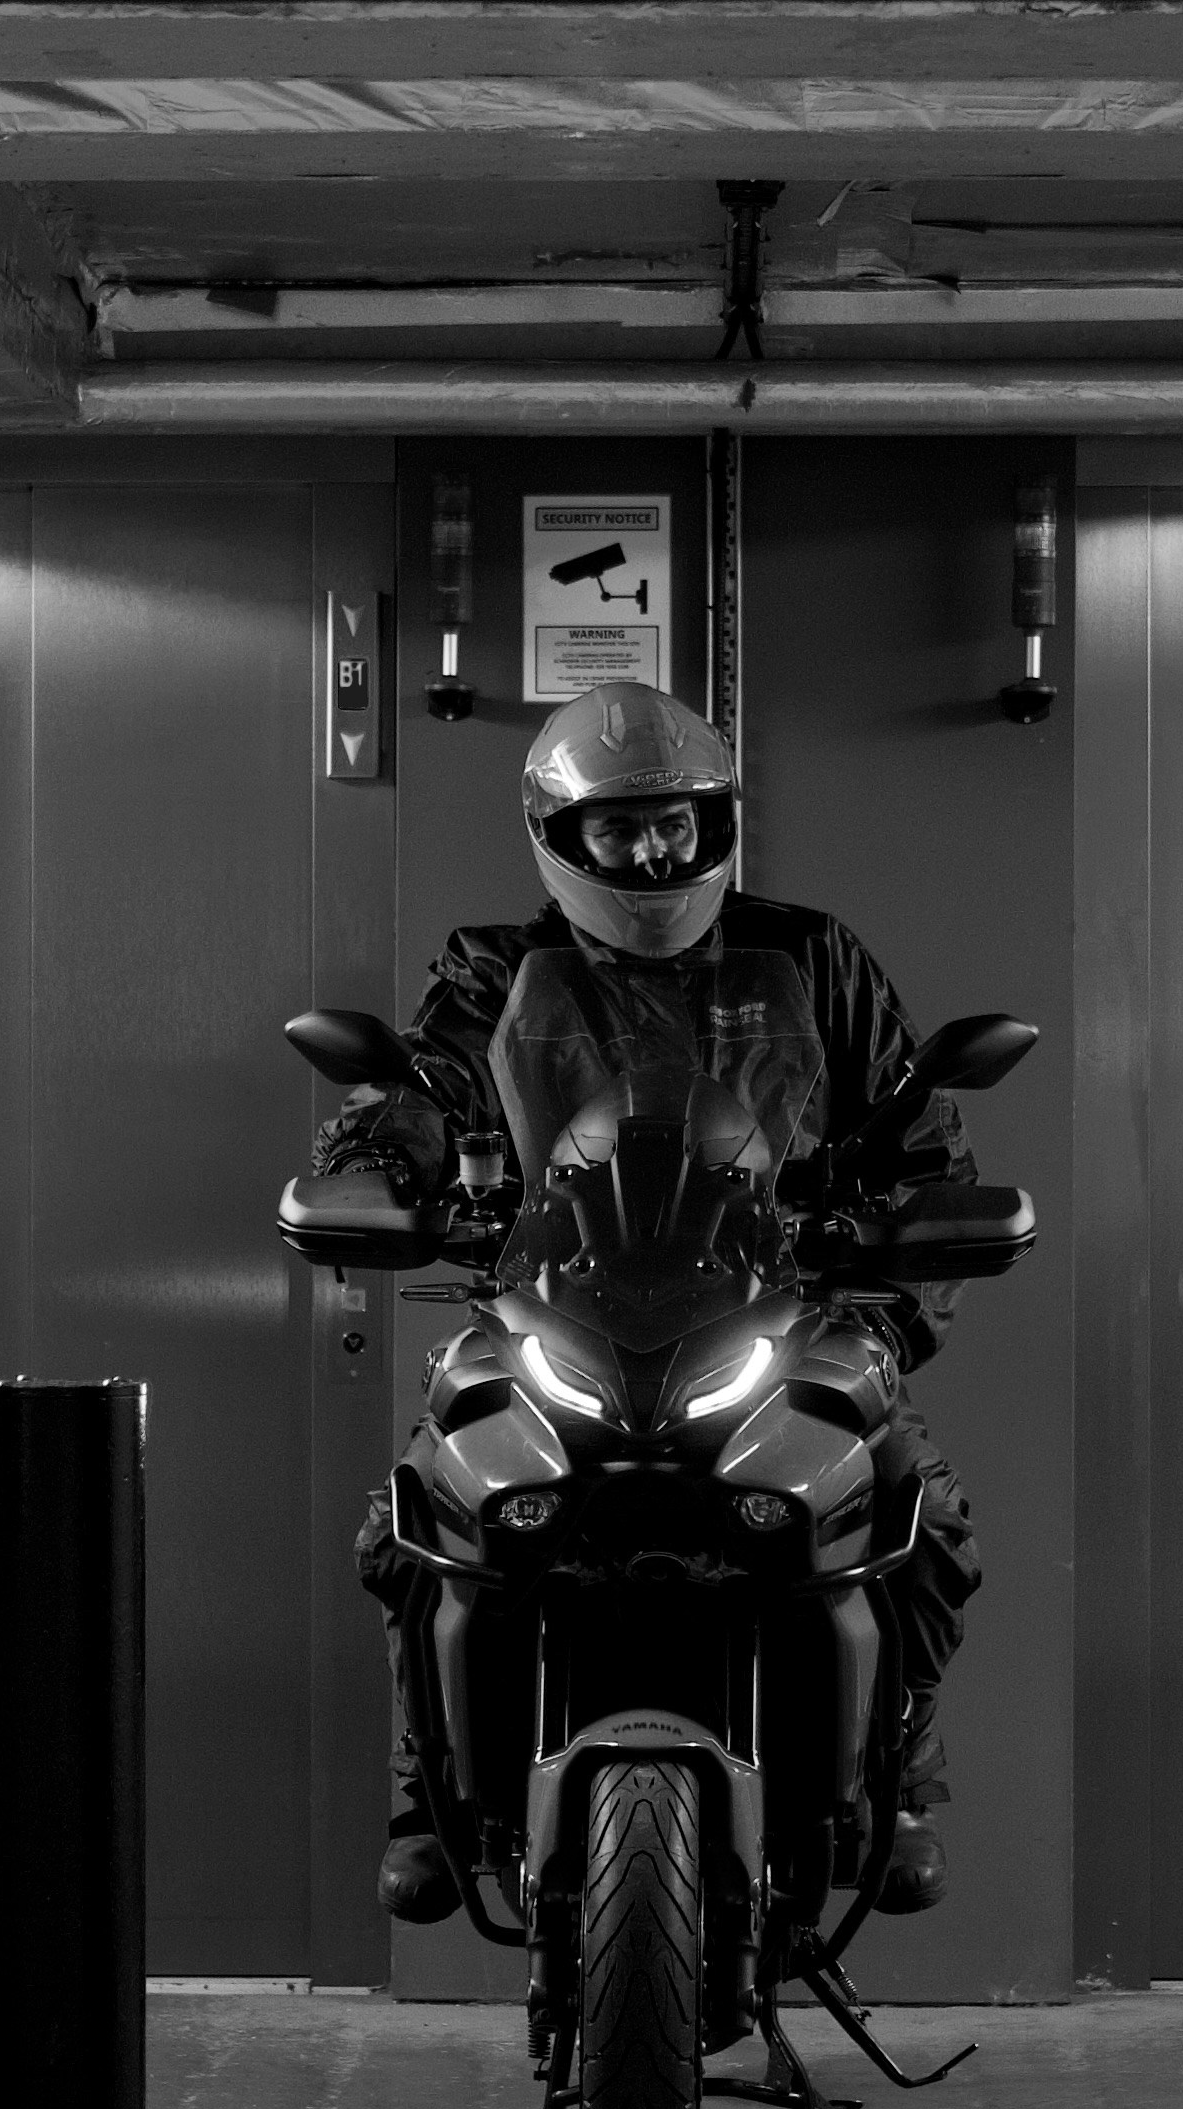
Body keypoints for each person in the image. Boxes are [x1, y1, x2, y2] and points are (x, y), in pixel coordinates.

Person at [311, 680, 992, 1918]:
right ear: (562, 838)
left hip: (781, 1314)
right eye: (620, 827)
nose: (653, 849)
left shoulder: (812, 956)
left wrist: (896, 1302)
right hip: (550, 1308)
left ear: (715, 819)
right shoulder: (496, 970)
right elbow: (414, 1096)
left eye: (675, 821)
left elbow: (922, 1151)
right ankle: (429, 1787)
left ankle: (895, 1784)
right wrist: (377, 1167)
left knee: (921, 1516)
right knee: (410, 1518)